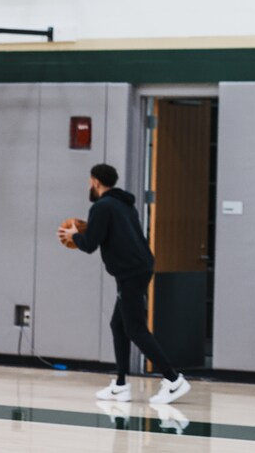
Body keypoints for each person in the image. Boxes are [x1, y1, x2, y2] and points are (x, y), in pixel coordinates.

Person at [57, 163, 190, 405]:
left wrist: (73, 235)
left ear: (96, 181)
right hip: (140, 267)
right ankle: (120, 385)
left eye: (90, 180)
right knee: (119, 325)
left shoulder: (101, 207)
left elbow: (89, 244)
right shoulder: (124, 205)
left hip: (130, 272)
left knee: (135, 328)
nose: (89, 184)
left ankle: (173, 379)